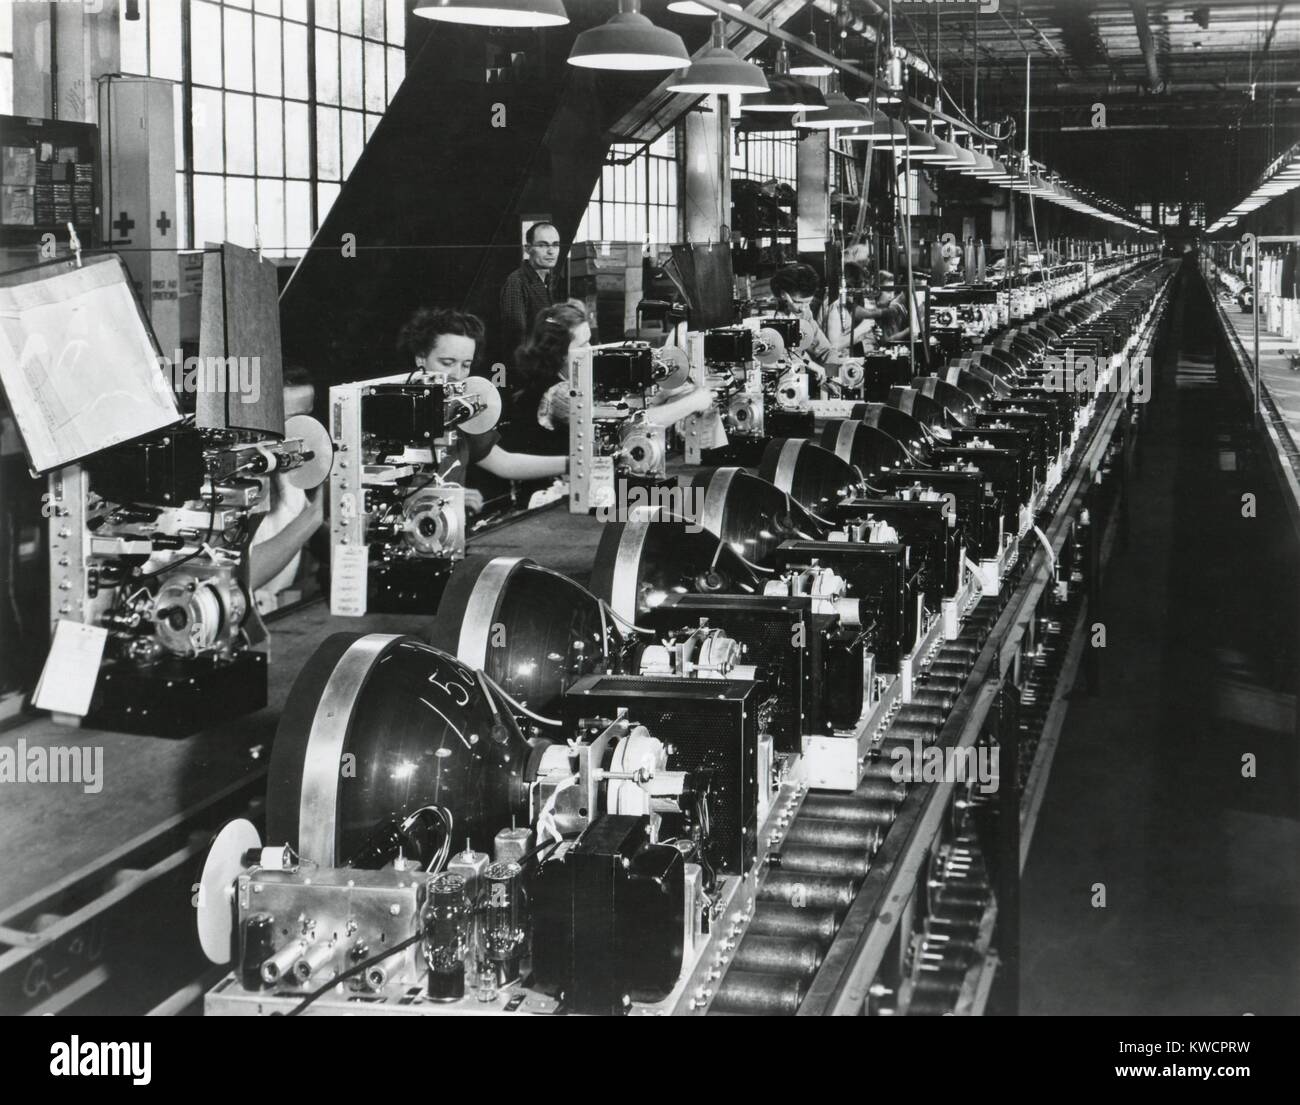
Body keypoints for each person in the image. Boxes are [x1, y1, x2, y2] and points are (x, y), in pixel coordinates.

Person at [397, 307, 568, 514]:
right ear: (421, 358)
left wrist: (574, 464)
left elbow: (505, 463)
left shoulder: (460, 410)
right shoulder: (396, 413)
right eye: (447, 363)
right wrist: (445, 498)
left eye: (466, 365)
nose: (457, 375)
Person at [250, 364, 324, 614]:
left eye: (305, 416)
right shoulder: (228, 474)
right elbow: (244, 577)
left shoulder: (292, 469)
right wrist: (316, 514)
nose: (298, 429)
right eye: (286, 419)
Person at [499, 221, 562, 359]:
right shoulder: (516, 281)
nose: (551, 251)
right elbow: (515, 338)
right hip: (528, 367)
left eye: (555, 245)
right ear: (528, 249)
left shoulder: (549, 279)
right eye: (542, 245)